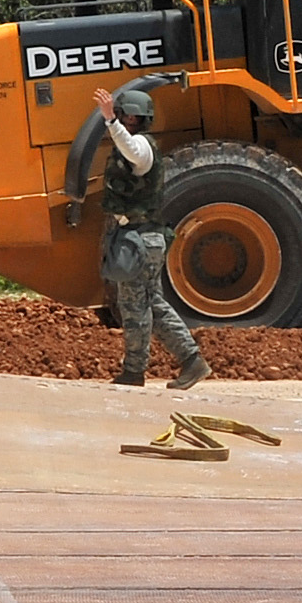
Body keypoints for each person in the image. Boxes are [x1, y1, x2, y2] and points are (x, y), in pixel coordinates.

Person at [91, 84, 210, 390]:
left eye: (127, 116)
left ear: (136, 120)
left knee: (134, 307)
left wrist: (110, 122)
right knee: (151, 302)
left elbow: (132, 150)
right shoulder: (138, 143)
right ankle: (190, 360)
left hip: (138, 239)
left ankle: (135, 370)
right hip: (141, 237)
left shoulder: (141, 147)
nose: (125, 120)